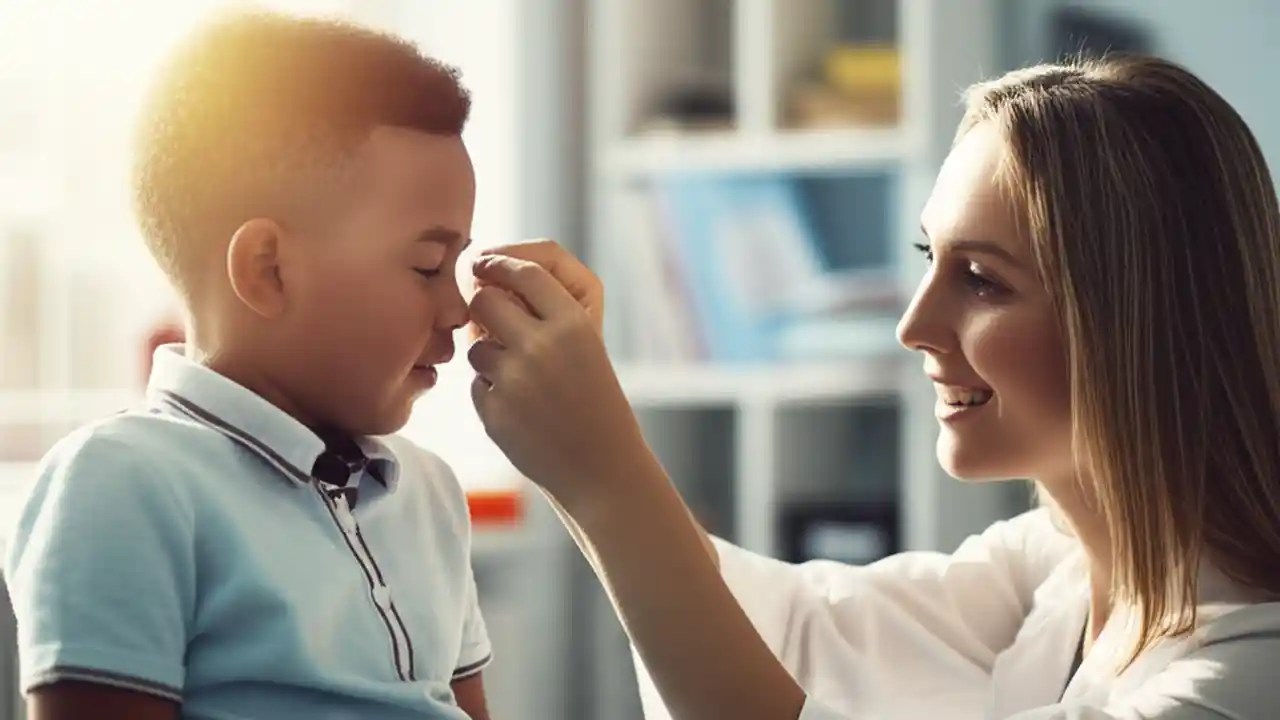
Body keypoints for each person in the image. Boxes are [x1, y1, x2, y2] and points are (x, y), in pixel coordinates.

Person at [465, 55, 1280, 718]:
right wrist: (583, 438)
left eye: (983, 280)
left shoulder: (1244, 679)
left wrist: (604, 470)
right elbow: (794, 629)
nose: (913, 325)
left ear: (1140, 316)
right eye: (932, 260)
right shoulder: (1064, 568)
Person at [5, 12, 494, 720]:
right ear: (267, 270)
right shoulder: (125, 481)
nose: (457, 309)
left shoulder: (429, 492)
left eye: (459, 266)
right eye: (426, 266)